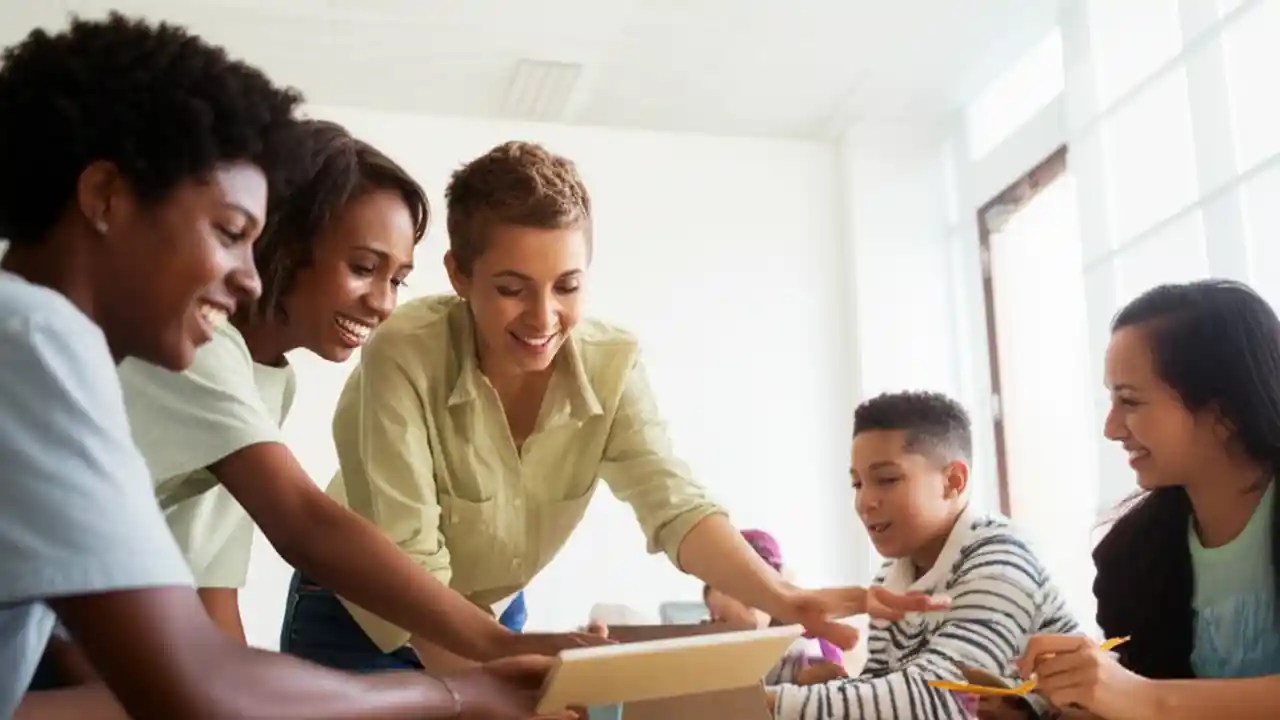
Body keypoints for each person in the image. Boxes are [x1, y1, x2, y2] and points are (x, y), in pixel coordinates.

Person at [0, 14, 566, 719]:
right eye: (231, 233)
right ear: (105, 198)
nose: (249, 277)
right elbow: (218, 646)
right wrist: (460, 688)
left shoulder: (37, 340)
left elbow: (177, 638)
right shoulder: (36, 338)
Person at [281, 140, 948, 671]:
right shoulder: (403, 352)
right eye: (512, 288)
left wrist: (782, 598)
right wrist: (496, 671)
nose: (543, 317)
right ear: (459, 274)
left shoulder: (612, 364)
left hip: (494, 617)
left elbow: (673, 503)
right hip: (358, 611)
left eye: (567, 286)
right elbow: (409, 563)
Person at [113, 118, 596, 665]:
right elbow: (304, 523)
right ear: (285, 242)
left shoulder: (268, 382)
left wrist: (228, 691)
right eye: (364, 268)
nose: (383, 304)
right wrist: (495, 645)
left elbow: (209, 583)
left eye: (397, 280)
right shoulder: (197, 348)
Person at [1018, 280, 1280, 720]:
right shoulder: (1131, 555)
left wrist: (1145, 699)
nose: (1112, 428)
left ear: (1224, 410)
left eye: (1130, 401)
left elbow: (1150, 700)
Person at [768, 391, 1078, 719]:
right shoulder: (893, 575)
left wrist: (772, 703)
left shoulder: (1002, 560)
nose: (865, 502)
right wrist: (834, 687)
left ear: (953, 481)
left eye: (886, 479)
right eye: (858, 484)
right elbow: (889, 687)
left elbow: (946, 699)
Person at [701, 529, 848, 686]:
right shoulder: (715, 645)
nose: (714, 623)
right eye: (713, 618)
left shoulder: (802, 643)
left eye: (723, 619)